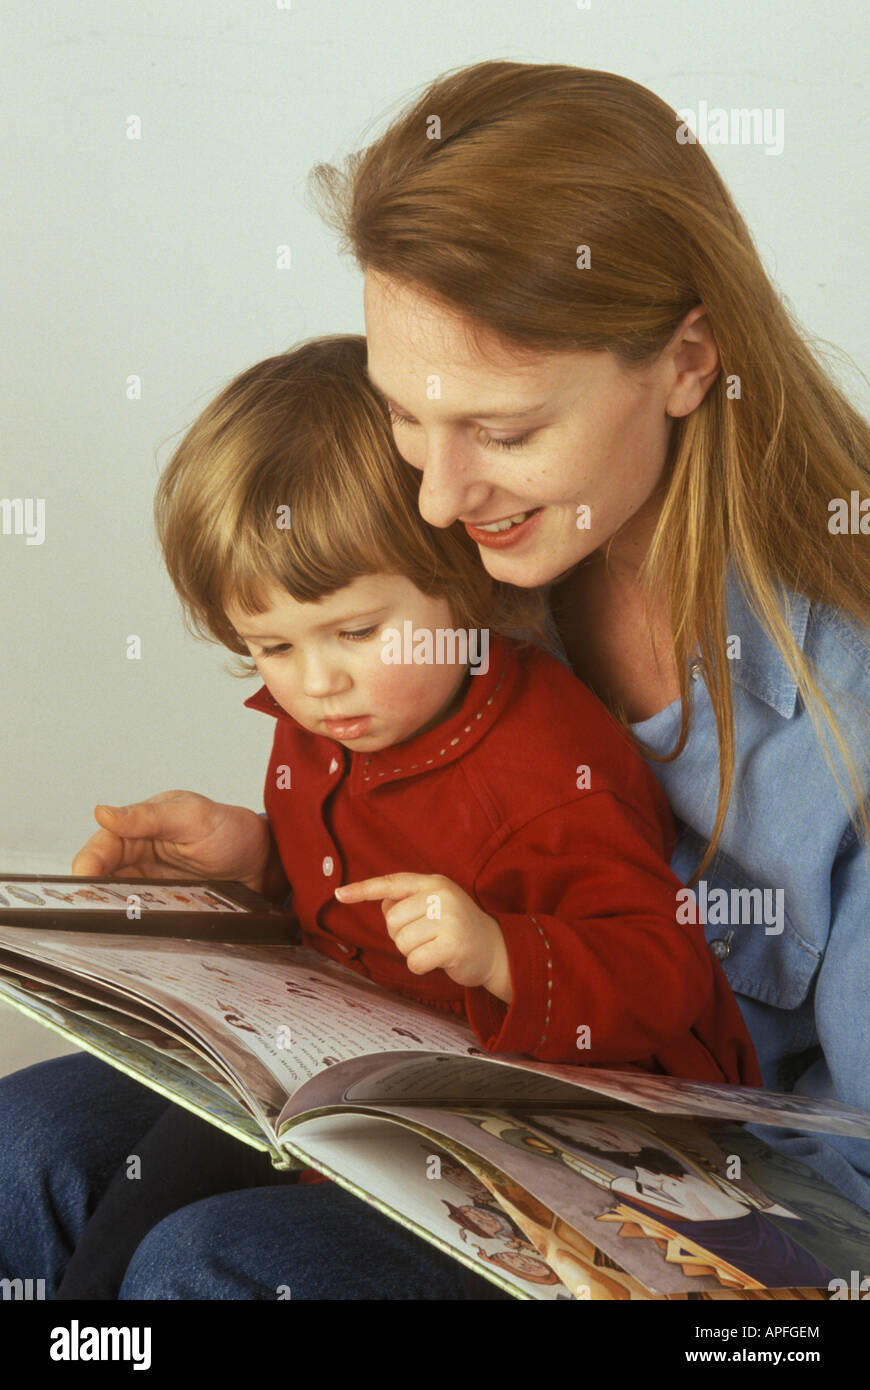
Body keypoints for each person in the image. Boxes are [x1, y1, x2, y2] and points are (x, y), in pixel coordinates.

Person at [0, 331, 759, 1300]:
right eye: (269, 645)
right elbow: (363, 878)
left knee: (192, 1232)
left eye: (357, 631)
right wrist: (258, 856)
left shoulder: (550, 768)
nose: (317, 683)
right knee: (52, 1143)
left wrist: (501, 952)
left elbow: (666, 971)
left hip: (555, 1116)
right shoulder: (350, 714)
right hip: (351, 1067)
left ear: (460, 573)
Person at [311, 60, 870, 1218]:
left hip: (724, 1202)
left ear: (686, 362)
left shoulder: (847, 698)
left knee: (215, 1261)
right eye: (407, 417)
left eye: (504, 430)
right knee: (43, 1139)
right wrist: (261, 864)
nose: (435, 497)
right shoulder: (467, 584)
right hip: (467, 1096)